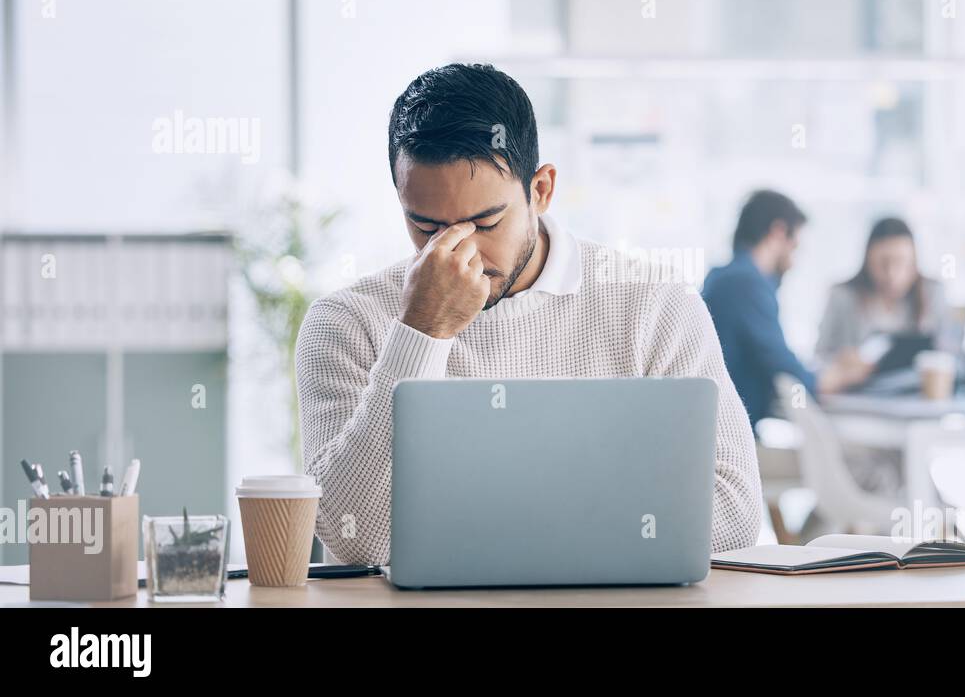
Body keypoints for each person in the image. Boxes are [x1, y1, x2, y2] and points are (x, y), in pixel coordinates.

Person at [296, 63, 762, 565]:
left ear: (540, 190)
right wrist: (422, 332)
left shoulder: (655, 305)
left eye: (485, 223)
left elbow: (732, 510)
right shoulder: (345, 322)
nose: (459, 252)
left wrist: (465, 527)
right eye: (426, 227)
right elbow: (356, 536)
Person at [701, 190, 865, 429]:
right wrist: (838, 377)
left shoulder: (725, 277)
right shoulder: (745, 284)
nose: (795, 260)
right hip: (729, 436)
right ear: (778, 232)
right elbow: (785, 369)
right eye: (795, 246)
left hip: (723, 428)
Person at [816, 217, 957, 380]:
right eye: (882, 263)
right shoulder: (842, 295)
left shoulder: (933, 292)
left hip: (918, 389)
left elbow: (952, 355)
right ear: (868, 261)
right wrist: (840, 361)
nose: (892, 274)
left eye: (901, 262)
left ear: (913, 262)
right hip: (856, 391)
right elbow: (820, 357)